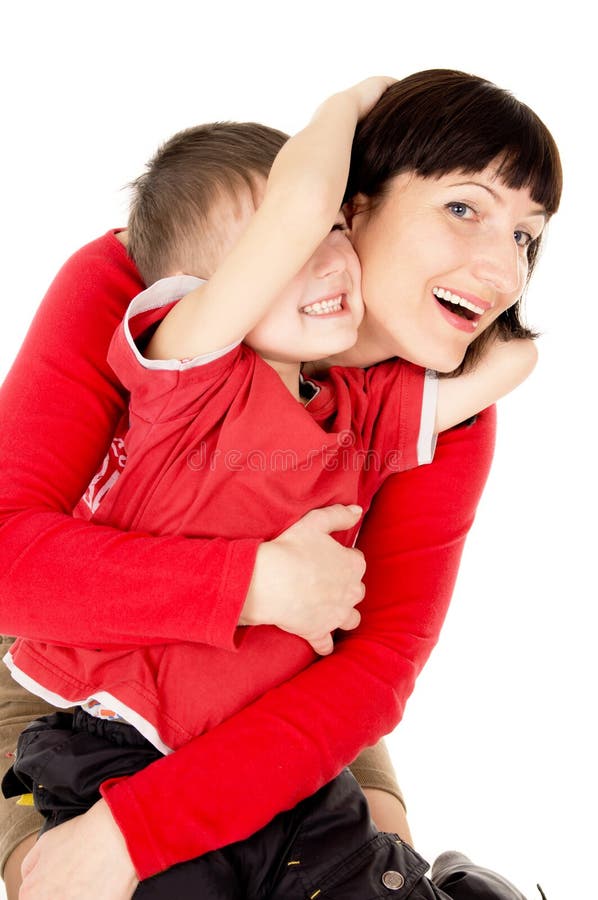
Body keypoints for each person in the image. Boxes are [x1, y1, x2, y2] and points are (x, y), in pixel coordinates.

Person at [0, 69, 561, 899]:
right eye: (464, 207)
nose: (504, 271)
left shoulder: (432, 411)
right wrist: (251, 582)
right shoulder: (160, 294)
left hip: (284, 691)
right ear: (350, 201)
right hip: (79, 688)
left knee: (371, 858)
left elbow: (376, 668)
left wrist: (150, 825)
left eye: (526, 235)